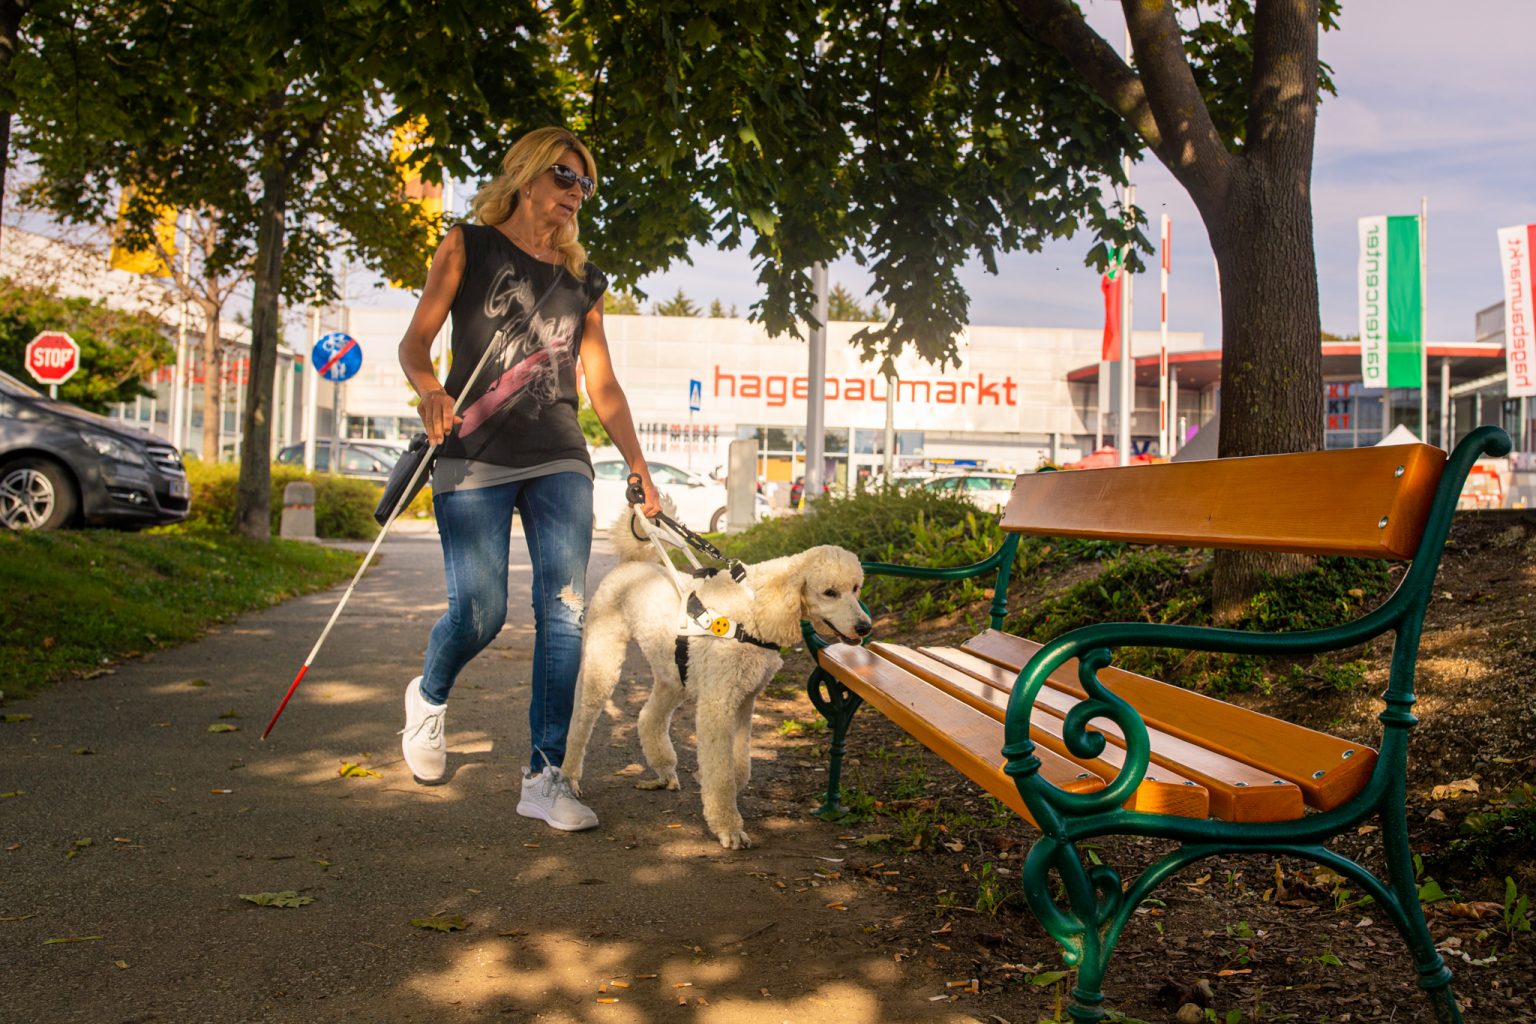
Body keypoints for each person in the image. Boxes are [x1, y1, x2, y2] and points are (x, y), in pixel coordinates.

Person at [396, 127, 660, 832]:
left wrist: (636, 464)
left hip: (557, 452)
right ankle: (428, 694)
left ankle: (548, 774)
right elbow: (415, 343)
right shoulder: (467, 246)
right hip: (473, 449)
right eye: (566, 178)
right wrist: (428, 390)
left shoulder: (582, 281)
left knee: (565, 608)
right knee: (480, 613)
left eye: (585, 184)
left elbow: (601, 385)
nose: (577, 193)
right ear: (528, 178)